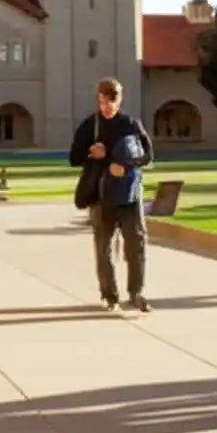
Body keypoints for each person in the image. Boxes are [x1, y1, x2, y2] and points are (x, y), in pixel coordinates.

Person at [68, 77, 154, 312]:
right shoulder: (90, 126)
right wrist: (92, 154)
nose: (107, 105)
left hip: (129, 195)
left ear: (120, 99)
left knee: (135, 244)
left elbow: (147, 157)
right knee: (104, 247)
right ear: (98, 98)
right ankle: (110, 295)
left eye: (112, 100)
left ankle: (136, 292)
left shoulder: (130, 125)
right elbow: (73, 158)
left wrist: (125, 165)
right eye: (103, 100)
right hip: (101, 196)